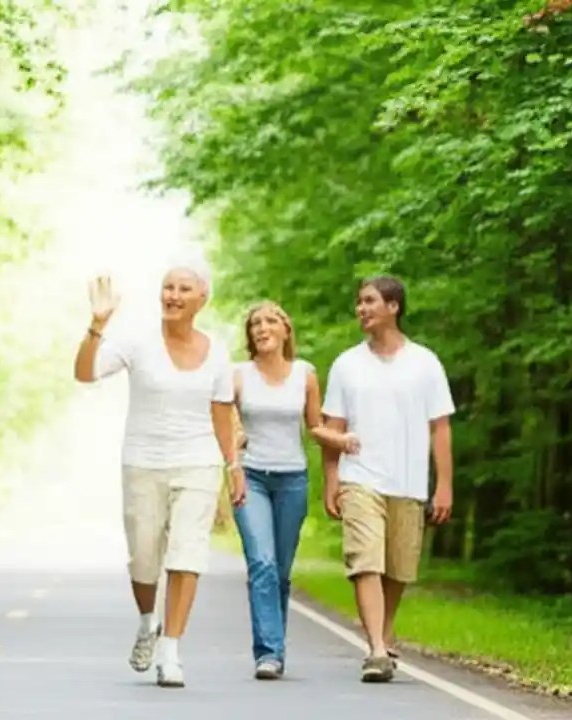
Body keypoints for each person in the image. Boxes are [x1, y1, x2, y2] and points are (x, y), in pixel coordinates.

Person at [72, 262, 244, 689]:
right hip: (143, 463)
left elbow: (222, 414)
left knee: (188, 553)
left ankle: (171, 650)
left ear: (202, 299)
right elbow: (84, 373)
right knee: (144, 559)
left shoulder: (217, 351)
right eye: (168, 287)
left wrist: (233, 466)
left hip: (199, 462)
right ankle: (148, 621)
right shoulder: (137, 341)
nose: (173, 295)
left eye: (184, 288)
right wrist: (97, 326)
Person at [320, 275, 454, 683]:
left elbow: (441, 427)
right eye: (359, 302)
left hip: (409, 481)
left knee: (398, 568)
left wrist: (444, 484)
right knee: (366, 561)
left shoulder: (426, 363)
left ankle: (385, 629)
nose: (361, 309)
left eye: (370, 301)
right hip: (360, 478)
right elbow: (332, 426)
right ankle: (377, 649)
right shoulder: (346, 364)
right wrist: (332, 479)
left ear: (393, 306)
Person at [230, 300, 358, 680]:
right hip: (251, 477)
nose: (262, 327)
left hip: (292, 481)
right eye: (255, 323)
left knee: (281, 571)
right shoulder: (238, 375)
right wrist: (233, 448)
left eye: (271, 321)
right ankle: (268, 653)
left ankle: (275, 649)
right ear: (250, 335)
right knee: (263, 564)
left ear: (286, 331)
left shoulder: (305, 374)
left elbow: (314, 426)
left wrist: (341, 439)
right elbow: (223, 422)